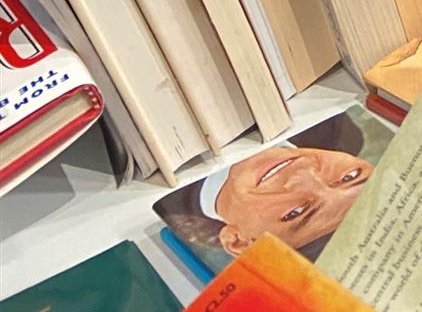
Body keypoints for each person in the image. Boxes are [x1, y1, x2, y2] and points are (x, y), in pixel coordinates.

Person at [156, 110, 378, 264]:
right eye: (350, 176)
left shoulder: (170, 213)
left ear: (239, 241)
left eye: (296, 212)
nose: (303, 173)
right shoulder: (335, 130)